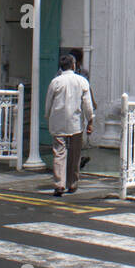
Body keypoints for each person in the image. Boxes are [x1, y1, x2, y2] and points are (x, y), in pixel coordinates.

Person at [44, 54, 94, 197]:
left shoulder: (55, 82)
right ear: (73, 65)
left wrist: (48, 117)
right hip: (75, 123)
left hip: (58, 122)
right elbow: (87, 105)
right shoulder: (82, 81)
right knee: (75, 154)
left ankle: (59, 184)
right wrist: (90, 120)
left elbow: (48, 103)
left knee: (59, 153)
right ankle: (72, 183)